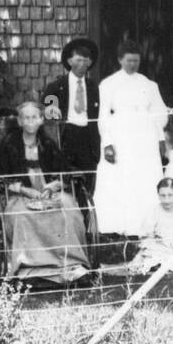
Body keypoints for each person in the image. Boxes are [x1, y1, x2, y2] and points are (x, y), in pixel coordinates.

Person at [0, 100, 92, 285]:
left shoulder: (48, 143)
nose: (30, 121)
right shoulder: (9, 144)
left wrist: (50, 187)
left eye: (34, 117)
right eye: (26, 118)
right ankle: (29, 270)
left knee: (69, 211)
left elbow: (62, 172)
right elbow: (2, 176)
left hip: (49, 192)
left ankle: (73, 266)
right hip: (21, 194)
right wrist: (24, 190)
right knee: (21, 216)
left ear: (40, 120)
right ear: (20, 121)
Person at [94, 40, 168, 239]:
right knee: (121, 179)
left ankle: (143, 227)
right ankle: (117, 226)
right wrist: (107, 143)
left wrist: (160, 138)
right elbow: (103, 115)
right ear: (120, 60)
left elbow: (158, 114)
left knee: (144, 180)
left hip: (145, 138)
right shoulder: (108, 84)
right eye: (128, 61)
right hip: (121, 137)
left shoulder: (148, 84)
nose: (132, 65)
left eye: (136, 61)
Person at [41, 37, 101, 227]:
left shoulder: (95, 88)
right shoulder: (55, 87)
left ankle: (83, 227)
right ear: (69, 61)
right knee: (62, 182)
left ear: (90, 63)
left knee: (86, 186)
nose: (82, 64)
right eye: (78, 59)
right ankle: (61, 226)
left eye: (86, 60)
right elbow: (49, 119)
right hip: (65, 139)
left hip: (87, 139)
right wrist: (53, 113)